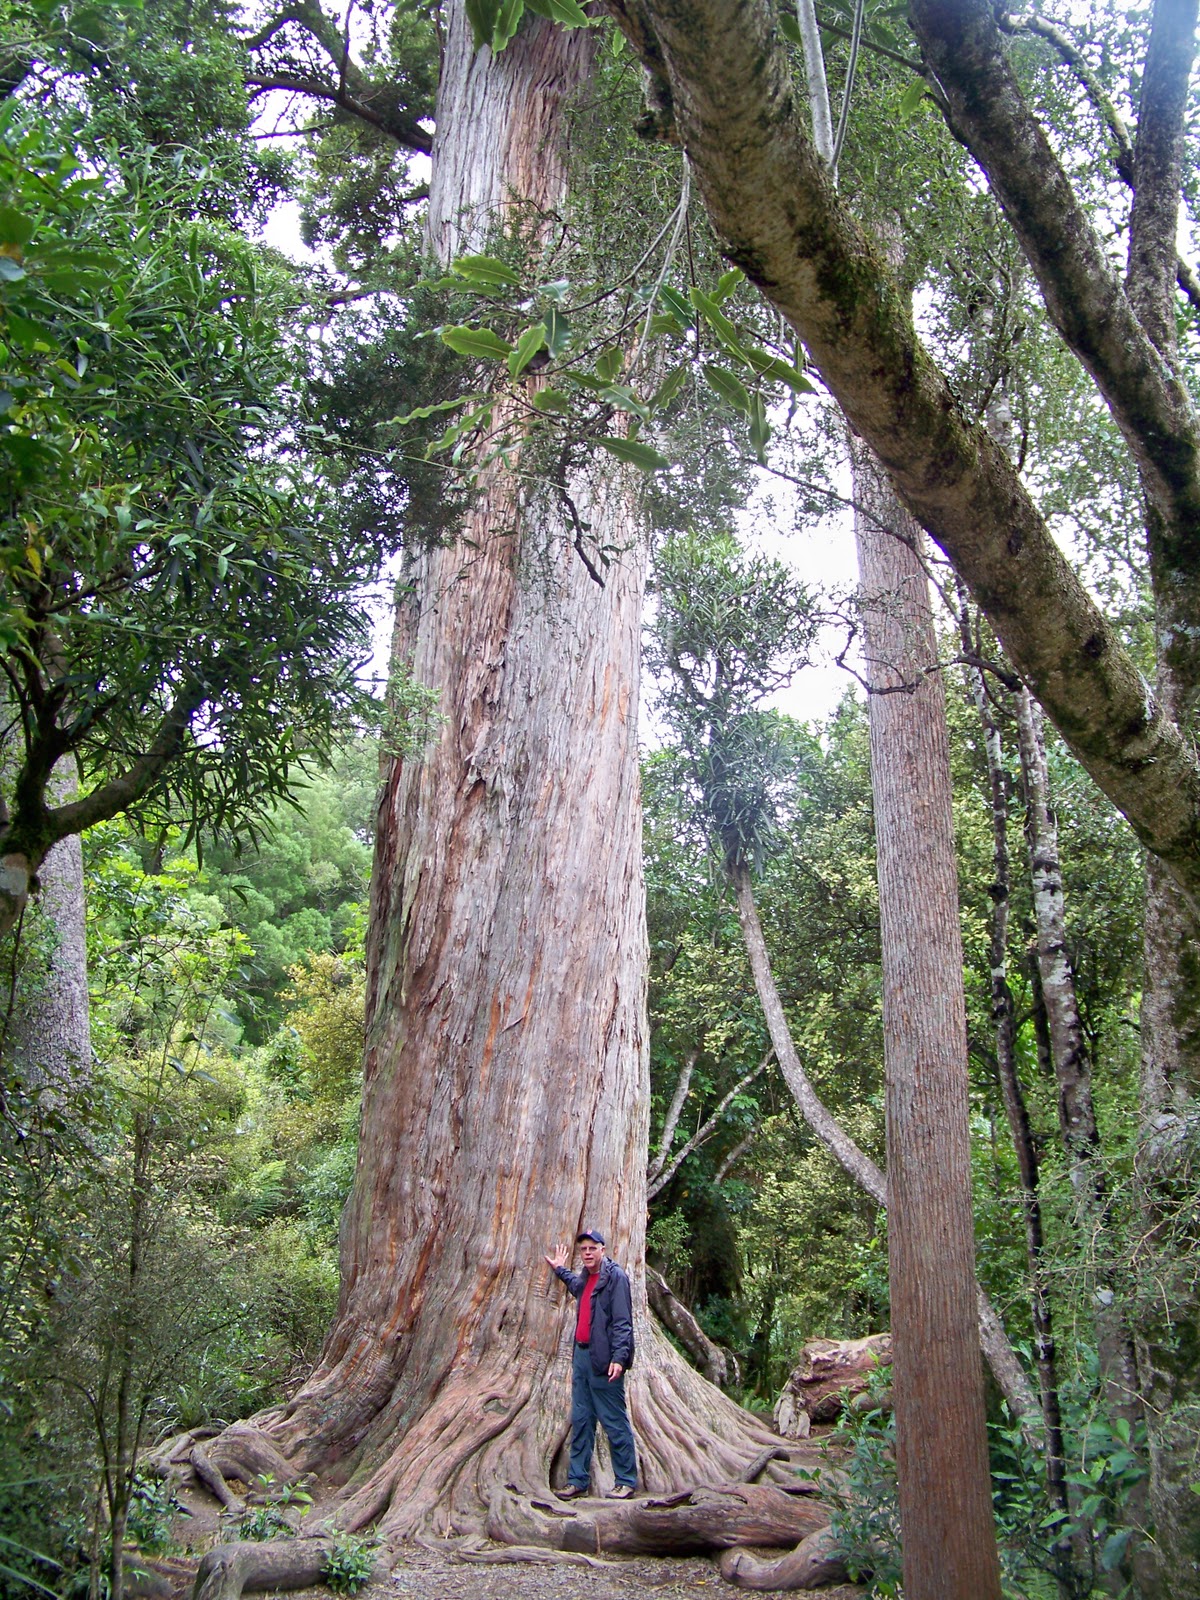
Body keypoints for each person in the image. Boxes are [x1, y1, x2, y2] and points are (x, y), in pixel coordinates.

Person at [544, 1229, 637, 1499]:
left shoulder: (615, 1278)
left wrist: (619, 1359)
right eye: (583, 1249)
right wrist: (560, 1270)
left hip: (604, 1361)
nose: (587, 1253)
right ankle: (577, 1481)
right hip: (581, 1357)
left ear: (602, 1250)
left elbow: (623, 1323)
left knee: (613, 1420)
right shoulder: (586, 1278)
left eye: (592, 1248)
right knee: (582, 1420)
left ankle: (626, 1480)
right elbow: (577, 1287)